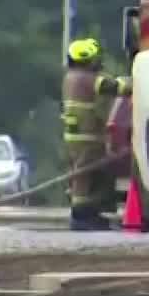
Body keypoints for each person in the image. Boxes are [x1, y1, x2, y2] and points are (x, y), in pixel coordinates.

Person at [63, 37, 129, 231]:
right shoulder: (87, 78)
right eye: (96, 59)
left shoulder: (70, 76)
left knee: (84, 174)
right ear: (87, 59)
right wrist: (133, 79)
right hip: (87, 136)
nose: (99, 63)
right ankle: (81, 216)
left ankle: (89, 212)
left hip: (75, 136)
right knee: (84, 175)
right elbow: (116, 87)